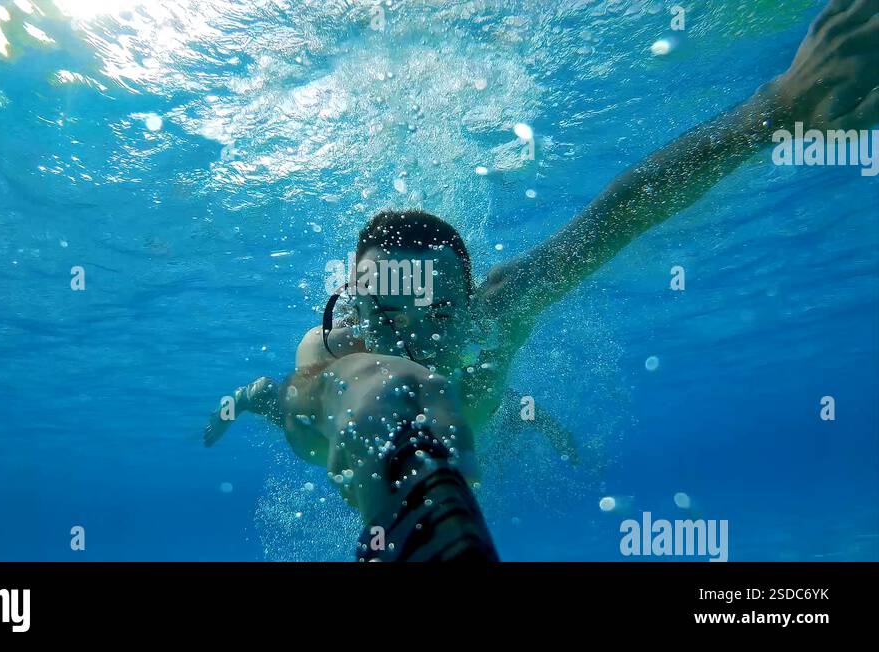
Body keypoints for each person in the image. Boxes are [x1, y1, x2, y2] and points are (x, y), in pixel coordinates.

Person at [205, 0, 879, 560]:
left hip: (472, 416)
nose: (405, 349)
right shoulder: (328, 369)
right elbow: (379, 399)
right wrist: (260, 401)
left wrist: (773, 109)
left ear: (472, 310)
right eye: (384, 317)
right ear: (348, 312)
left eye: (437, 316)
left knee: (500, 406)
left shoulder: (501, 311)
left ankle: (520, 420)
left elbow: (618, 212)